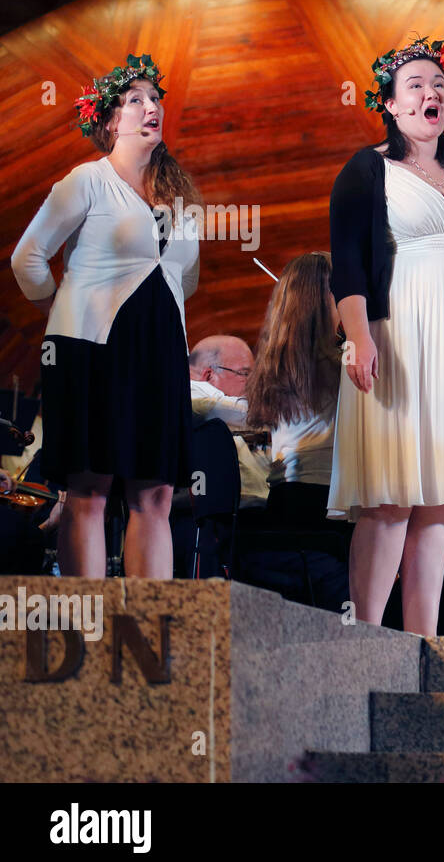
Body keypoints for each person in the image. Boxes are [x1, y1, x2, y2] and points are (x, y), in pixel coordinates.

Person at [328, 36, 444, 637]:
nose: (431, 93)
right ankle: (367, 638)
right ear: (392, 106)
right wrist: (358, 337)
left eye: (438, 85)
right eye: (416, 86)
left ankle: (421, 644)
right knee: (391, 495)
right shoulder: (367, 168)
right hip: (397, 335)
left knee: (437, 505)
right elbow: (346, 260)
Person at [11, 53, 200, 578]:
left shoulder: (180, 197)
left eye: (155, 98)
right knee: (89, 492)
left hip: (159, 357)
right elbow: (26, 257)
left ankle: (146, 627)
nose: (150, 107)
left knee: (157, 494)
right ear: (109, 120)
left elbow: (187, 278)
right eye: (134, 100)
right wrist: (62, 309)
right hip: (90, 351)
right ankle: (88, 628)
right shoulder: (86, 181)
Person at [243, 253, 341, 526]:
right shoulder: (343, 361)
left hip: (283, 499)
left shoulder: (274, 362)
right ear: (329, 297)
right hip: (329, 503)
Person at [188, 334, 269, 510]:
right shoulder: (192, 392)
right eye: (245, 373)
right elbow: (232, 410)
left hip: (251, 511)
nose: (253, 384)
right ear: (209, 375)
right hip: (225, 516)